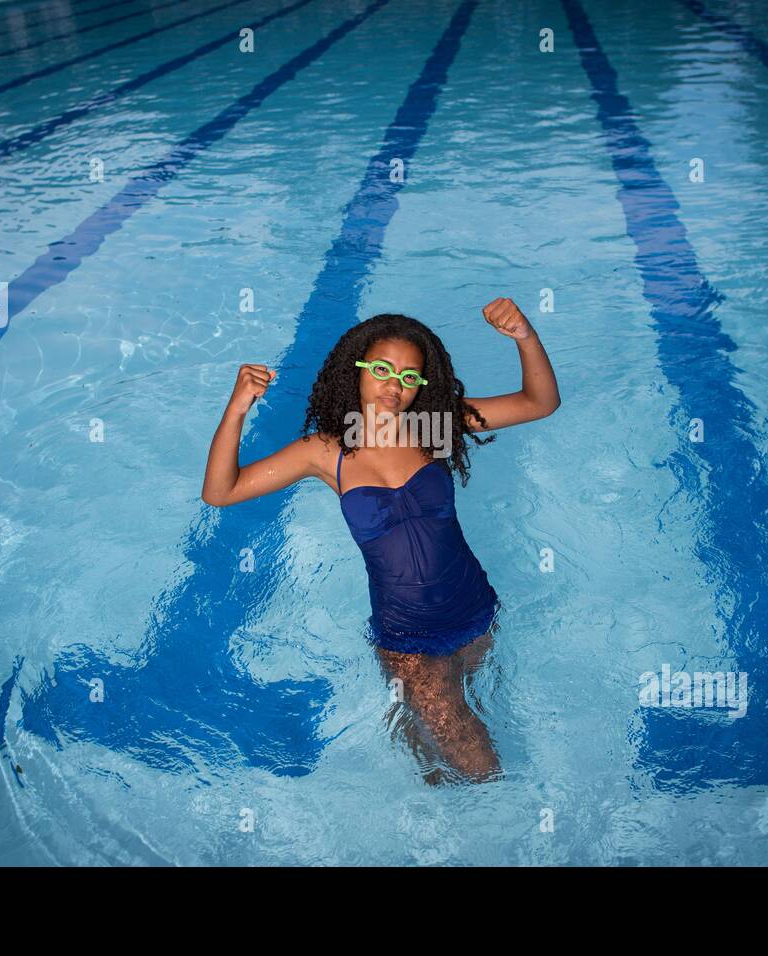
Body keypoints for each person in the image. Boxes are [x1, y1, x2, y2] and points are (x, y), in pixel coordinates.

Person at [202, 298, 560, 782]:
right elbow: (221, 492)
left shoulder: (432, 429)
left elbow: (540, 402)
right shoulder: (325, 451)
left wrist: (524, 335)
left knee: (452, 719)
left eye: (410, 377)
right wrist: (237, 407)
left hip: (476, 608)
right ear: (357, 369)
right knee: (482, 768)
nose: (395, 385)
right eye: (383, 369)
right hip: (409, 636)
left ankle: (431, 784)